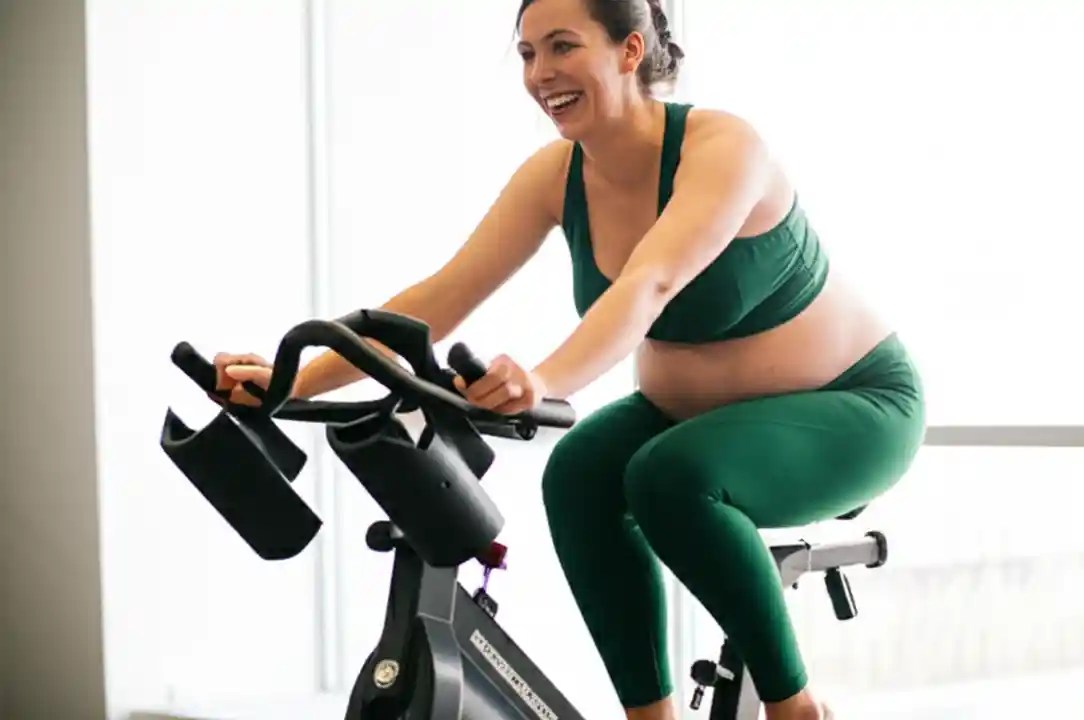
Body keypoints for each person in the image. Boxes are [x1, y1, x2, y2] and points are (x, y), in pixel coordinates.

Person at [213, 0, 926, 717]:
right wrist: (293, 379)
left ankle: (794, 707)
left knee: (666, 476)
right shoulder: (556, 177)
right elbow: (441, 295)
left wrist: (543, 380)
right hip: (692, 418)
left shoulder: (724, 147)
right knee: (580, 474)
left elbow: (652, 283)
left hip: (855, 406)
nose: (541, 73)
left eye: (561, 46)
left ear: (629, 50)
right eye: (526, 54)